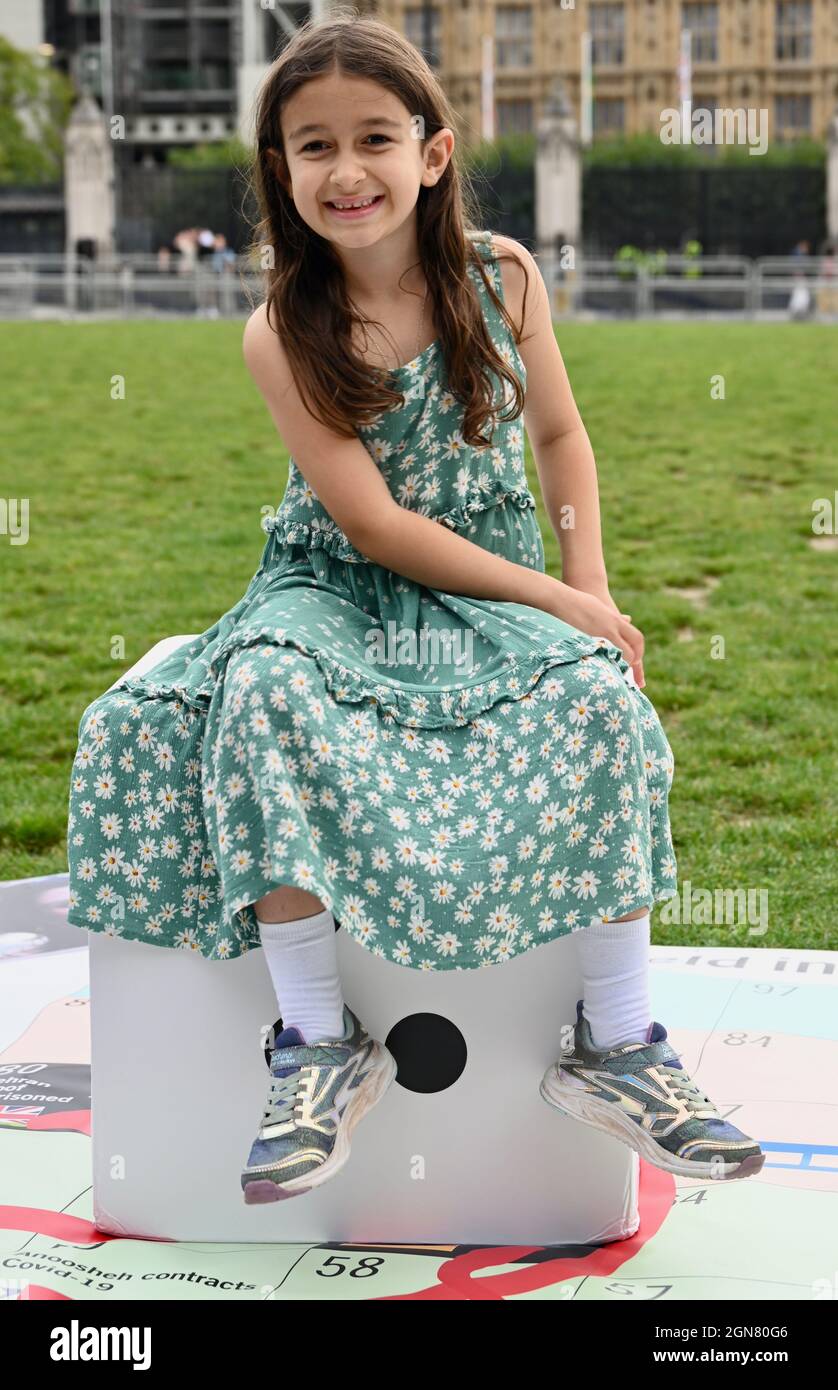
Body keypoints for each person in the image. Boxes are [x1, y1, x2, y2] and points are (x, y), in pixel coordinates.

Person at [65, 12, 765, 1203]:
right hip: (338, 582)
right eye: (312, 145)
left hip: (488, 570)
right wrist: (550, 592)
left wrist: (585, 588)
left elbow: (558, 432)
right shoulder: (281, 329)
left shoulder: (502, 275)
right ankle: (314, 1041)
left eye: (374, 138)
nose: (345, 170)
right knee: (266, 683)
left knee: (596, 696)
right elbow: (376, 529)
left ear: (431, 154)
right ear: (278, 172)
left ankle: (621, 1043)